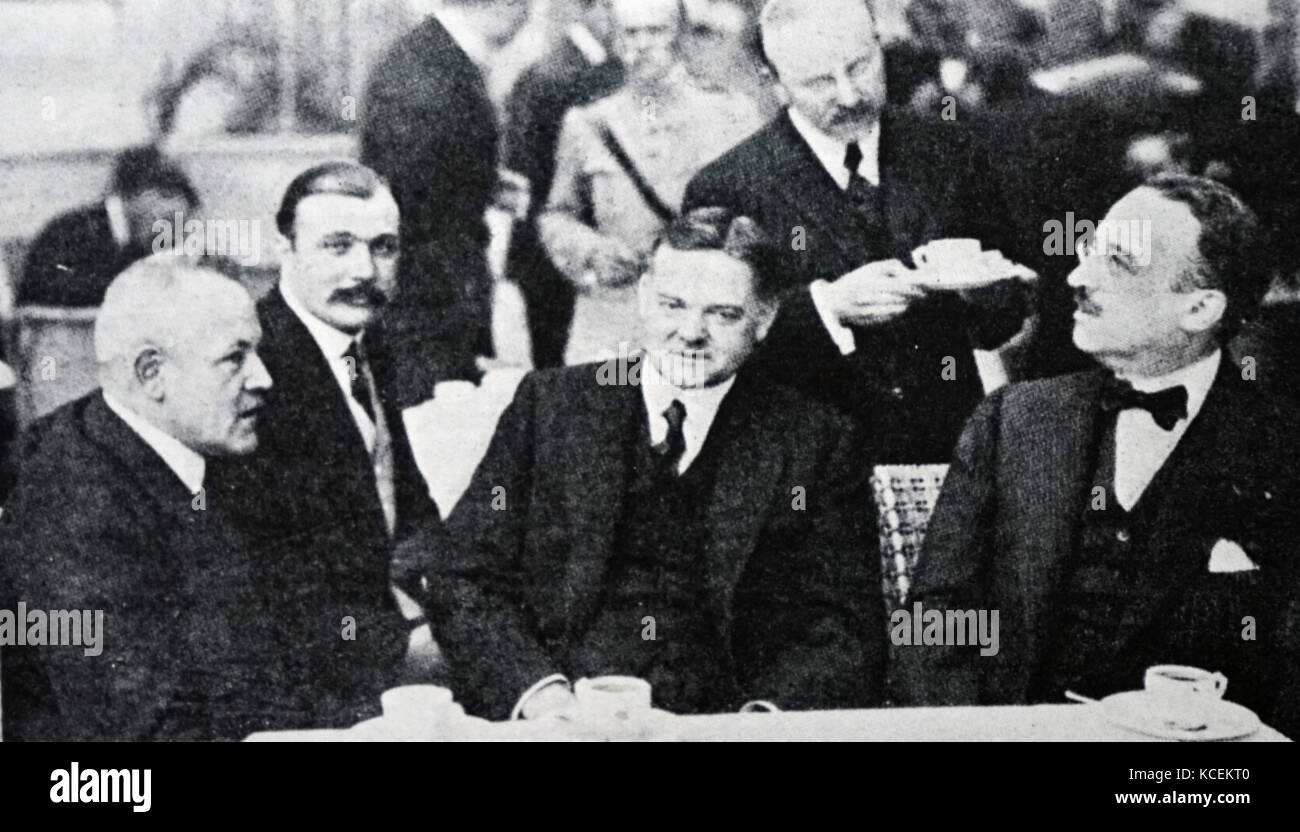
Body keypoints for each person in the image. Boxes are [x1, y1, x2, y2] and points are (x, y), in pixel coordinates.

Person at [422, 207, 882, 721]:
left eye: (723, 314)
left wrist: (758, 722)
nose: (690, 332)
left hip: (727, 726)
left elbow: (845, 625)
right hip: (564, 720)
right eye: (672, 305)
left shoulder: (815, 440)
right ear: (643, 297)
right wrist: (543, 697)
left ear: (766, 317)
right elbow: (463, 575)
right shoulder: (552, 406)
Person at [895, 175, 1300, 739]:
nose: (1077, 276)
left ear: (1200, 307)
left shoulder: (1282, 447)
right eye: (1089, 251)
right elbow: (935, 620)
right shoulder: (1013, 420)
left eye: (1120, 262)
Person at [684, 0, 1030, 463]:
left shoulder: (950, 151)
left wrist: (985, 291)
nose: (849, 96)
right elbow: (709, 343)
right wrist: (828, 308)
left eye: (860, 67)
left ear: (879, 46)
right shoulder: (728, 186)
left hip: (946, 455)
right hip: (807, 470)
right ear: (775, 80)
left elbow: (1002, 318)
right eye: (820, 82)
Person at [208, 162, 441, 730]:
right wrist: (408, 648)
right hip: (310, 684)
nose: (364, 270)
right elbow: (268, 580)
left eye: (383, 248)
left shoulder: (367, 340)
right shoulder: (253, 366)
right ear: (285, 247)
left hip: (384, 632)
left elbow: (405, 505)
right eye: (338, 246)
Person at [0, 256, 273, 740]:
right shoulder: (73, 503)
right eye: (236, 357)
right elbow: (142, 728)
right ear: (151, 373)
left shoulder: (191, 444)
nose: (262, 378)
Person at [540, 0, 762, 365]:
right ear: (614, 40)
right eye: (630, 32)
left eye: (656, 30)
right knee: (606, 411)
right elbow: (557, 214)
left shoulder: (733, 116)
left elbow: (769, 214)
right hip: (617, 317)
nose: (642, 43)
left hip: (704, 318)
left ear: (681, 36)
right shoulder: (589, 125)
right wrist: (593, 250)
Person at [360, 0, 531, 402]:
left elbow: (437, 170)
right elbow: (415, 203)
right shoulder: (428, 73)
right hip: (428, 303)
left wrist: (486, 184)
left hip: (435, 293)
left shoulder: (434, 59)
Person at [503, 0, 626, 369]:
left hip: (576, 241)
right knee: (559, 365)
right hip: (555, 241)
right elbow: (527, 168)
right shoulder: (555, 75)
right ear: (596, 10)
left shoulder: (588, 68)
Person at [20, 146, 199, 307]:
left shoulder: (133, 241)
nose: (166, 236)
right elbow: (50, 292)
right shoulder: (70, 230)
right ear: (137, 194)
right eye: (166, 220)